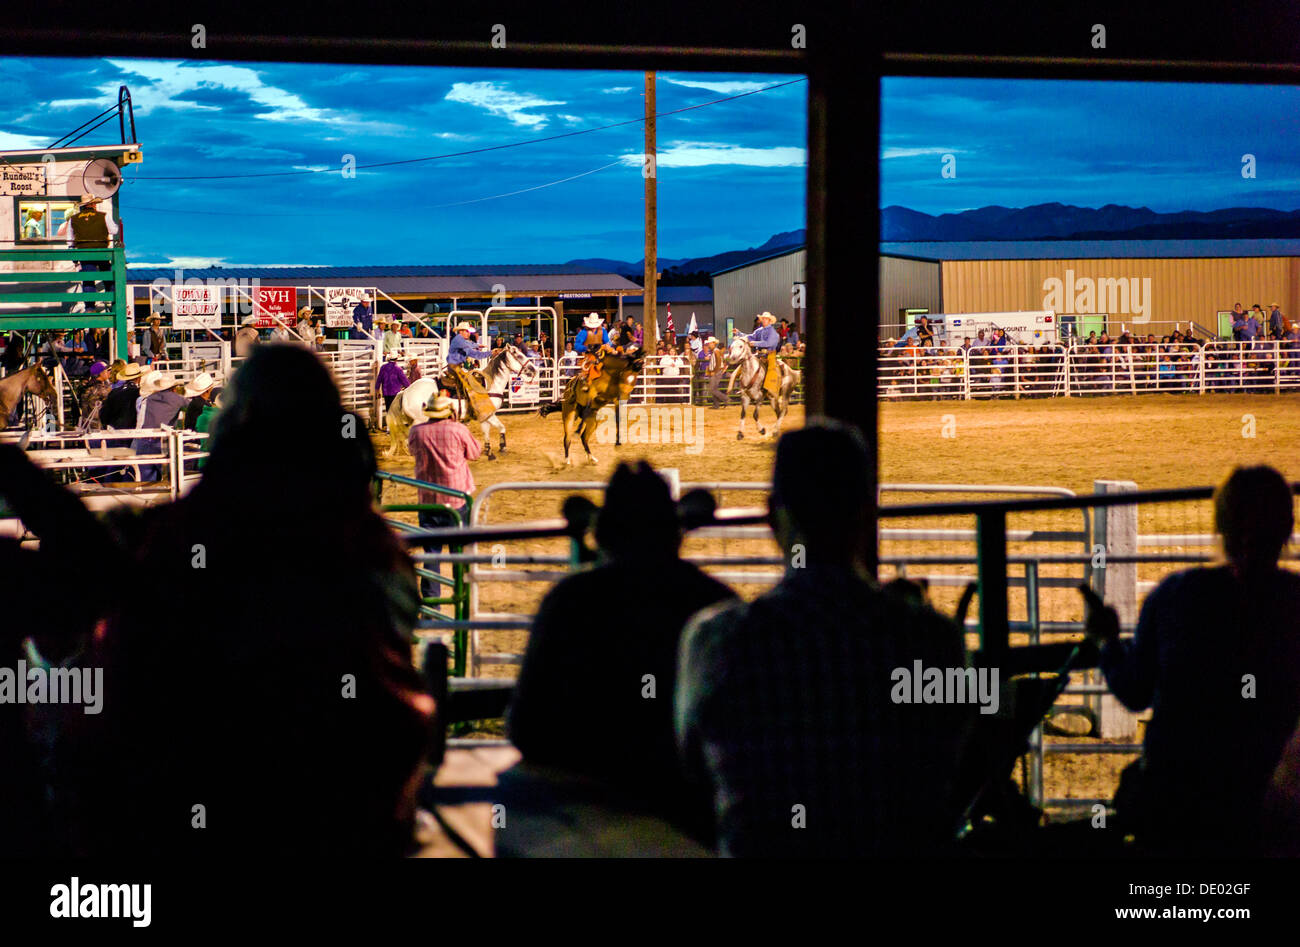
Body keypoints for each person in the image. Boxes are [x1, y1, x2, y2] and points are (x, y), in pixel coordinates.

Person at [64, 344, 432, 857]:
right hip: (359, 797)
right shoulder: (366, 538)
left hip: (212, 795)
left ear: (236, 428)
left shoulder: (198, 527)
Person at [675, 421, 970, 856]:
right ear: (868, 514)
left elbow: (694, 770)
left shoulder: (716, 639)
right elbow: (950, 770)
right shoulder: (931, 639)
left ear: (774, 517)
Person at [507, 462, 737, 843]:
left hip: (581, 819)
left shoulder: (570, 601)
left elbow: (526, 727)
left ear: (606, 536)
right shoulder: (714, 605)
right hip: (689, 816)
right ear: (676, 535)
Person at [1087, 465, 1300, 856]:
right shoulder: (1292, 602)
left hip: (1176, 801)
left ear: (1219, 526)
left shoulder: (1177, 595)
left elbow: (1135, 691)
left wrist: (1108, 643)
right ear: (1287, 527)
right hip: (1268, 804)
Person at [408, 392, 481, 599]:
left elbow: (412, 450)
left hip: (428, 501)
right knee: (459, 551)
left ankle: (432, 602)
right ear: (449, 412)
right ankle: (461, 594)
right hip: (456, 499)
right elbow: (475, 453)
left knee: (431, 553)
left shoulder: (417, 432)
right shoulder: (459, 429)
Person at [61, 195, 119, 312]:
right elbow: (114, 230)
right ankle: (112, 301)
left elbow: (70, 240)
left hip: (85, 253)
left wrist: (74, 256)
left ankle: (90, 307)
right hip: (102, 251)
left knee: (88, 279)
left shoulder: (74, 218)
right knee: (108, 276)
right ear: (93, 205)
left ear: (83, 206)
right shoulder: (103, 215)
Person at [131, 374, 187, 482]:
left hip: (144, 441)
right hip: (161, 443)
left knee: (145, 480)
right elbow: (192, 408)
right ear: (174, 388)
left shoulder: (149, 398)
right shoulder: (177, 399)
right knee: (172, 479)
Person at [442, 321, 493, 420]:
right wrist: (489, 353)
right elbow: (473, 352)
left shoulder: (460, 340)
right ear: (461, 331)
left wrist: (478, 346)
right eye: (467, 331)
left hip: (455, 366)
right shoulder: (459, 339)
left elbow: (470, 346)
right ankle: (469, 408)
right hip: (454, 367)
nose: (469, 333)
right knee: (468, 383)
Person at [743, 311, 781, 397]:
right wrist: (739, 334)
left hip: (769, 354)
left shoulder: (773, 332)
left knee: (771, 369)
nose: (763, 320)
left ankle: (770, 388)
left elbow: (768, 343)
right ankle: (744, 385)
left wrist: (755, 343)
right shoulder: (759, 330)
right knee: (746, 363)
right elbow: (750, 336)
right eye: (763, 318)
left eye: (765, 319)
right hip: (759, 354)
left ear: (769, 321)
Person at [573, 312, 612, 383]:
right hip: (589, 356)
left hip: (601, 354)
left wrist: (607, 345)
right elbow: (577, 345)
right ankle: (587, 383)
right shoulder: (583, 332)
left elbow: (608, 342)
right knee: (587, 372)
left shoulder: (603, 331)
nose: (593, 328)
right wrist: (586, 347)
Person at [78, 360, 113, 430]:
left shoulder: (88, 386)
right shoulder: (99, 389)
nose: (109, 372)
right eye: (107, 370)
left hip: (87, 424)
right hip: (96, 426)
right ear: (101, 373)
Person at [376, 351, 411, 417]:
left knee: (388, 409)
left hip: (386, 392)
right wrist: (409, 387)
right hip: (395, 392)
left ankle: (389, 425)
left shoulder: (383, 367)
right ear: (396, 359)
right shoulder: (398, 369)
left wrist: (377, 390)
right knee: (396, 410)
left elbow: (379, 379)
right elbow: (404, 380)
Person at [703, 336, 728, 408]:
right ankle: (716, 404)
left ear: (713, 343)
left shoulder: (716, 351)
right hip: (717, 371)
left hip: (716, 372)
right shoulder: (716, 351)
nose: (708, 345)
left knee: (712, 389)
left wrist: (714, 371)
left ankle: (725, 399)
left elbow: (718, 362)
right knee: (714, 389)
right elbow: (720, 361)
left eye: (709, 343)